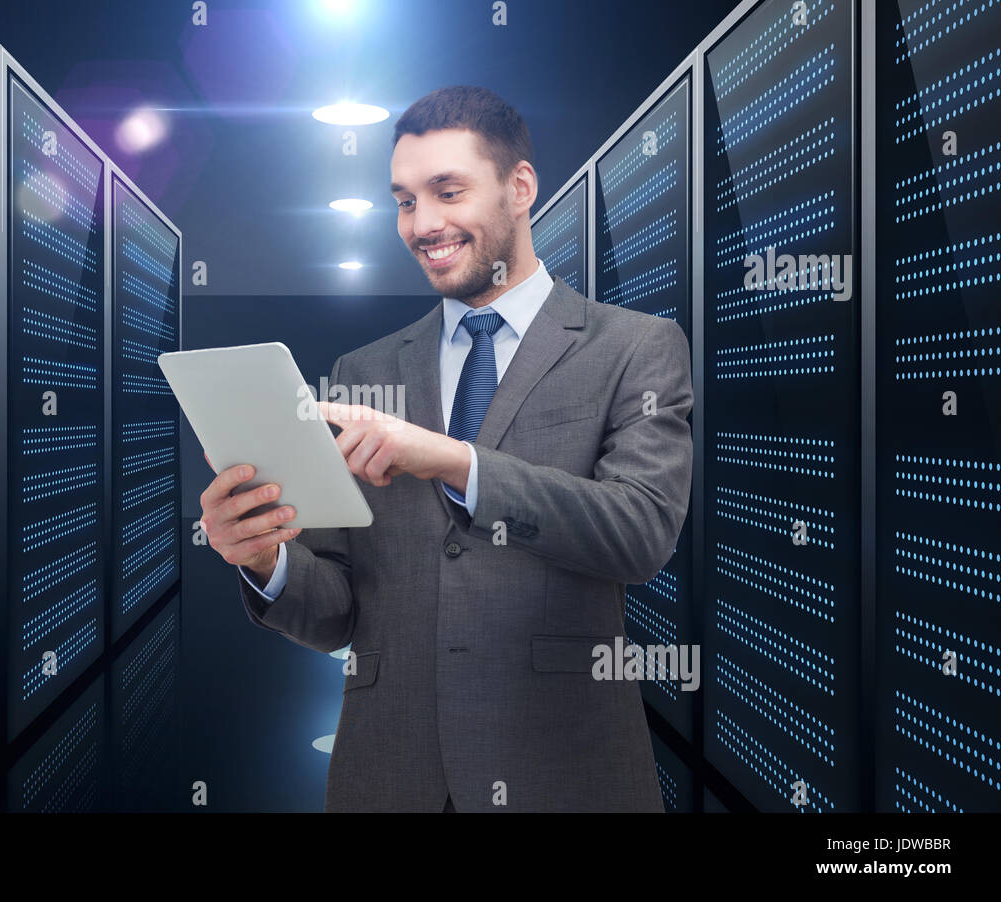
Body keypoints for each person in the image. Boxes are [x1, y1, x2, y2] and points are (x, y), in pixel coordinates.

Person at [199, 85, 692, 812]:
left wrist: (455, 461)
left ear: (520, 187)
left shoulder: (634, 349)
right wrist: (264, 558)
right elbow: (337, 608)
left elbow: (639, 533)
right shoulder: (366, 373)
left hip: (565, 773)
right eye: (404, 200)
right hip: (390, 778)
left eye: (447, 191)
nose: (422, 223)